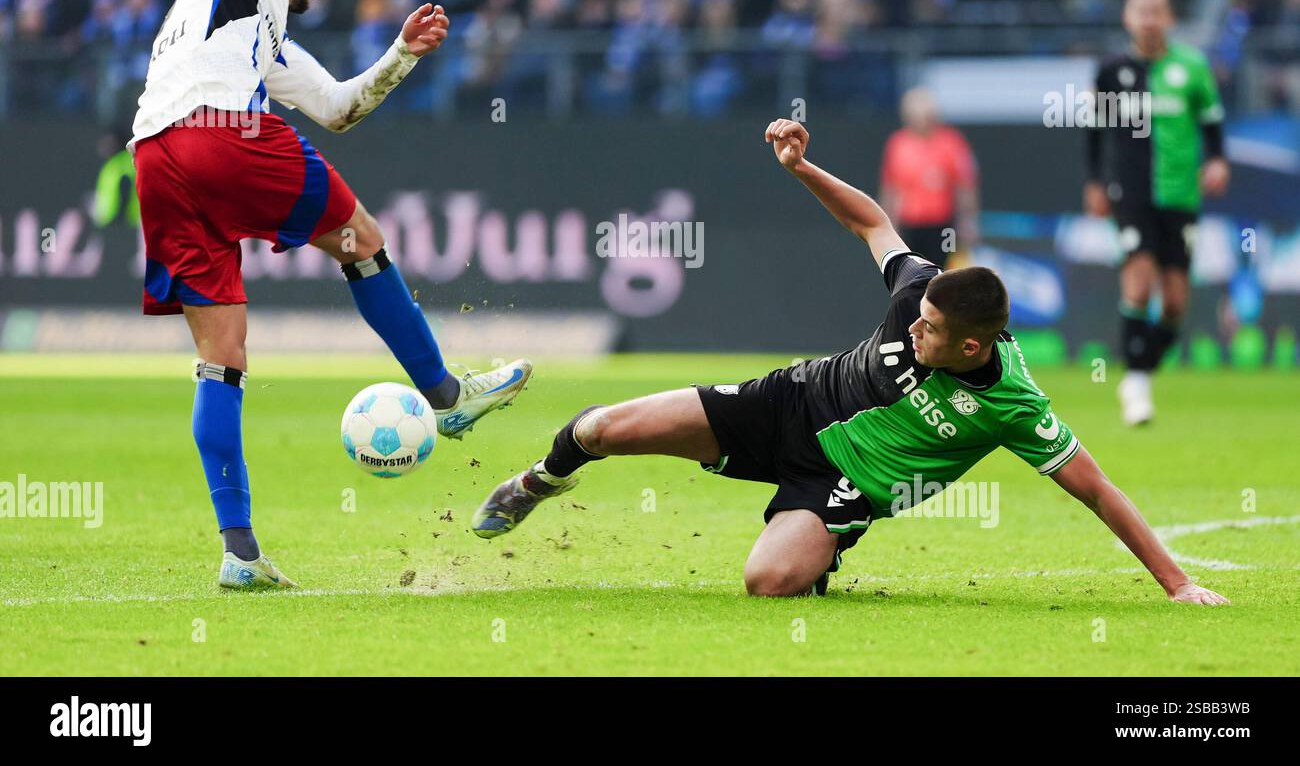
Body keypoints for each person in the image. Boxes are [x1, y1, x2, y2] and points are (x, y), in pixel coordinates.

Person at [470, 119, 1229, 607]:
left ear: (974, 347)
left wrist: (1179, 585)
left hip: (842, 483)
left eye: (930, 330)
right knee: (602, 428)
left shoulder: (1013, 405)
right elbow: (873, 219)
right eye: (919, 317)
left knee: (766, 584)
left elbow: (1097, 490)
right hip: (789, 403)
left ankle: (822, 551)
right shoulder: (920, 287)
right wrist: (803, 168)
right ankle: (535, 482)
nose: (914, 328)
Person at [132, 0, 531, 590]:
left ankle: (240, 553)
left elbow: (338, 108)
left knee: (220, 357)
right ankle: (444, 392)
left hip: (156, 157)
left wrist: (401, 55)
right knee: (364, 240)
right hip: (225, 134)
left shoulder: (247, 27)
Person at [1084, 0, 1229, 425]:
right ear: (1128, 19)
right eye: (1140, 12)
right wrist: (1094, 182)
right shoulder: (1111, 70)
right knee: (1139, 282)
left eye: (1156, 12)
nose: (1148, 20)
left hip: (1181, 194)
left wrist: (1218, 161)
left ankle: (1140, 371)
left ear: (1169, 19)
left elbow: (1211, 122)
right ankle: (1138, 383)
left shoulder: (1192, 67)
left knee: (1175, 304)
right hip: (1130, 192)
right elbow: (1094, 130)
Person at [880, 87, 980, 267]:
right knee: (911, 276)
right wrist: (889, 226)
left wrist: (968, 221)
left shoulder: (951, 142)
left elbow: (965, 185)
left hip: (942, 226)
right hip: (909, 224)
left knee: (942, 274)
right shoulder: (898, 144)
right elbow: (891, 189)